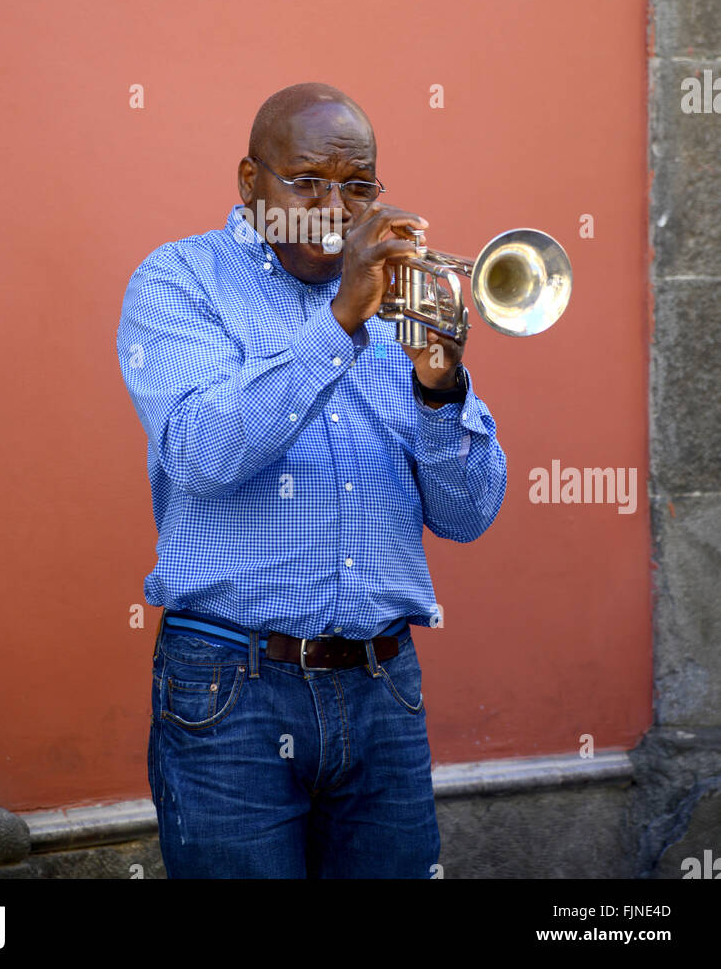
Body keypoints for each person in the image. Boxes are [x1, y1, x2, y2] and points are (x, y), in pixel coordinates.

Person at [116, 81, 507, 878]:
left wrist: (439, 393)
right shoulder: (179, 281)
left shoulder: (404, 295)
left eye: (357, 186)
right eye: (307, 181)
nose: (335, 205)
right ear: (248, 180)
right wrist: (337, 327)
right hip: (232, 690)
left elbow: (467, 515)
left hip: (383, 687)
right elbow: (200, 454)